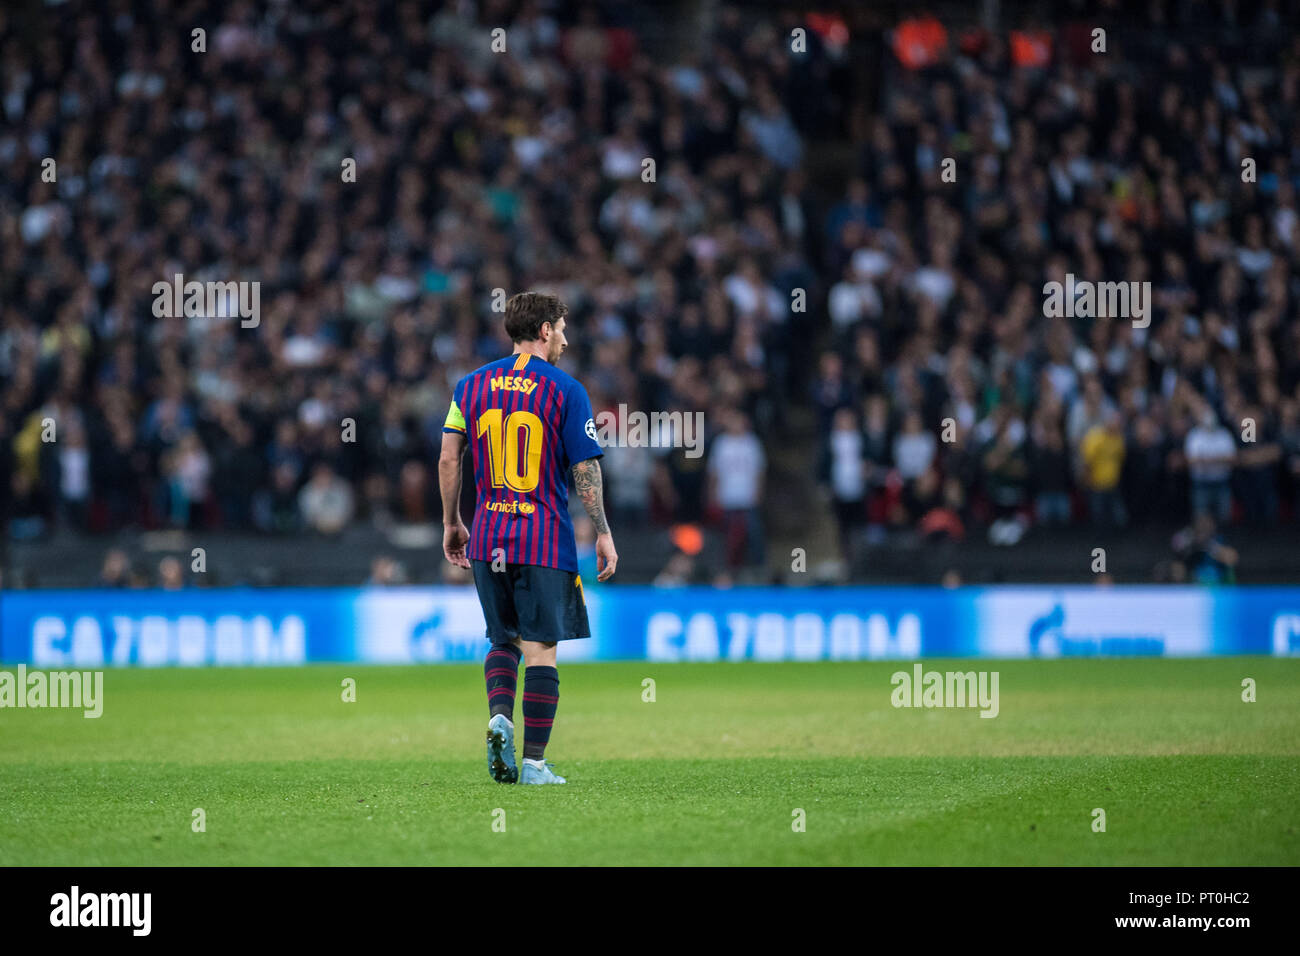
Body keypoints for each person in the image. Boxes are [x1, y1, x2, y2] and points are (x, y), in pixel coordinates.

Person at [438, 293, 617, 786]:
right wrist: (602, 532)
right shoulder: (567, 389)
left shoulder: (469, 386)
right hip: (542, 537)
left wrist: (453, 521)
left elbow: (450, 458)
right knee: (541, 647)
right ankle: (535, 764)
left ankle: (500, 717)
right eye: (561, 328)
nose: (565, 337)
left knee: (502, 638)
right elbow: (584, 467)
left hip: (488, 535)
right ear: (542, 331)